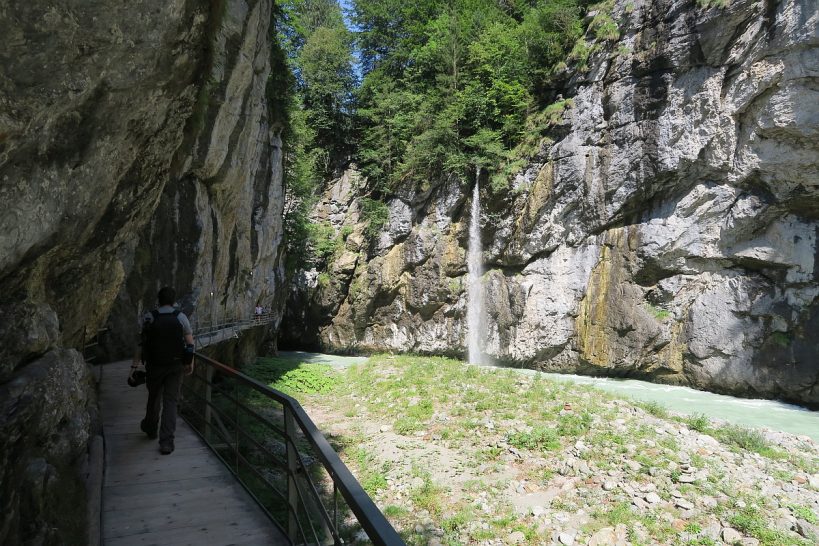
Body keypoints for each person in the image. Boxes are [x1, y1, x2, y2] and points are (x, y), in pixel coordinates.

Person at [131, 287, 195, 454]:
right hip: (175, 366)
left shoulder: (150, 317)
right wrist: (189, 363)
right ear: (173, 301)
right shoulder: (181, 317)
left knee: (154, 398)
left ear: (158, 300)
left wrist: (134, 366)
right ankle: (166, 442)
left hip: (154, 365)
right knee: (170, 402)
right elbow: (190, 344)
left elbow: (142, 344)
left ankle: (151, 428)